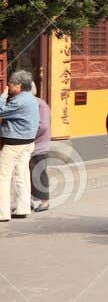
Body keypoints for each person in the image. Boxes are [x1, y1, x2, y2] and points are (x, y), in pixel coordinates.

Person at [0, 70, 41, 224]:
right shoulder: (31, 99)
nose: (8, 86)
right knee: (21, 175)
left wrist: (3, 95)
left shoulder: (18, 101)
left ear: (18, 85)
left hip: (14, 144)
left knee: (3, 177)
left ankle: (3, 212)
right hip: (28, 142)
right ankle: (23, 208)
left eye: (10, 83)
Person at [29, 86, 51, 214]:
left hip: (40, 144)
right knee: (30, 173)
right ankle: (31, 200)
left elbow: (42, 125)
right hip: (30, 144)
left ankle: (45, 201)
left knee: (40, 172)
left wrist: (27, 135)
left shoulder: (40, 104)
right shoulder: (31, 103)